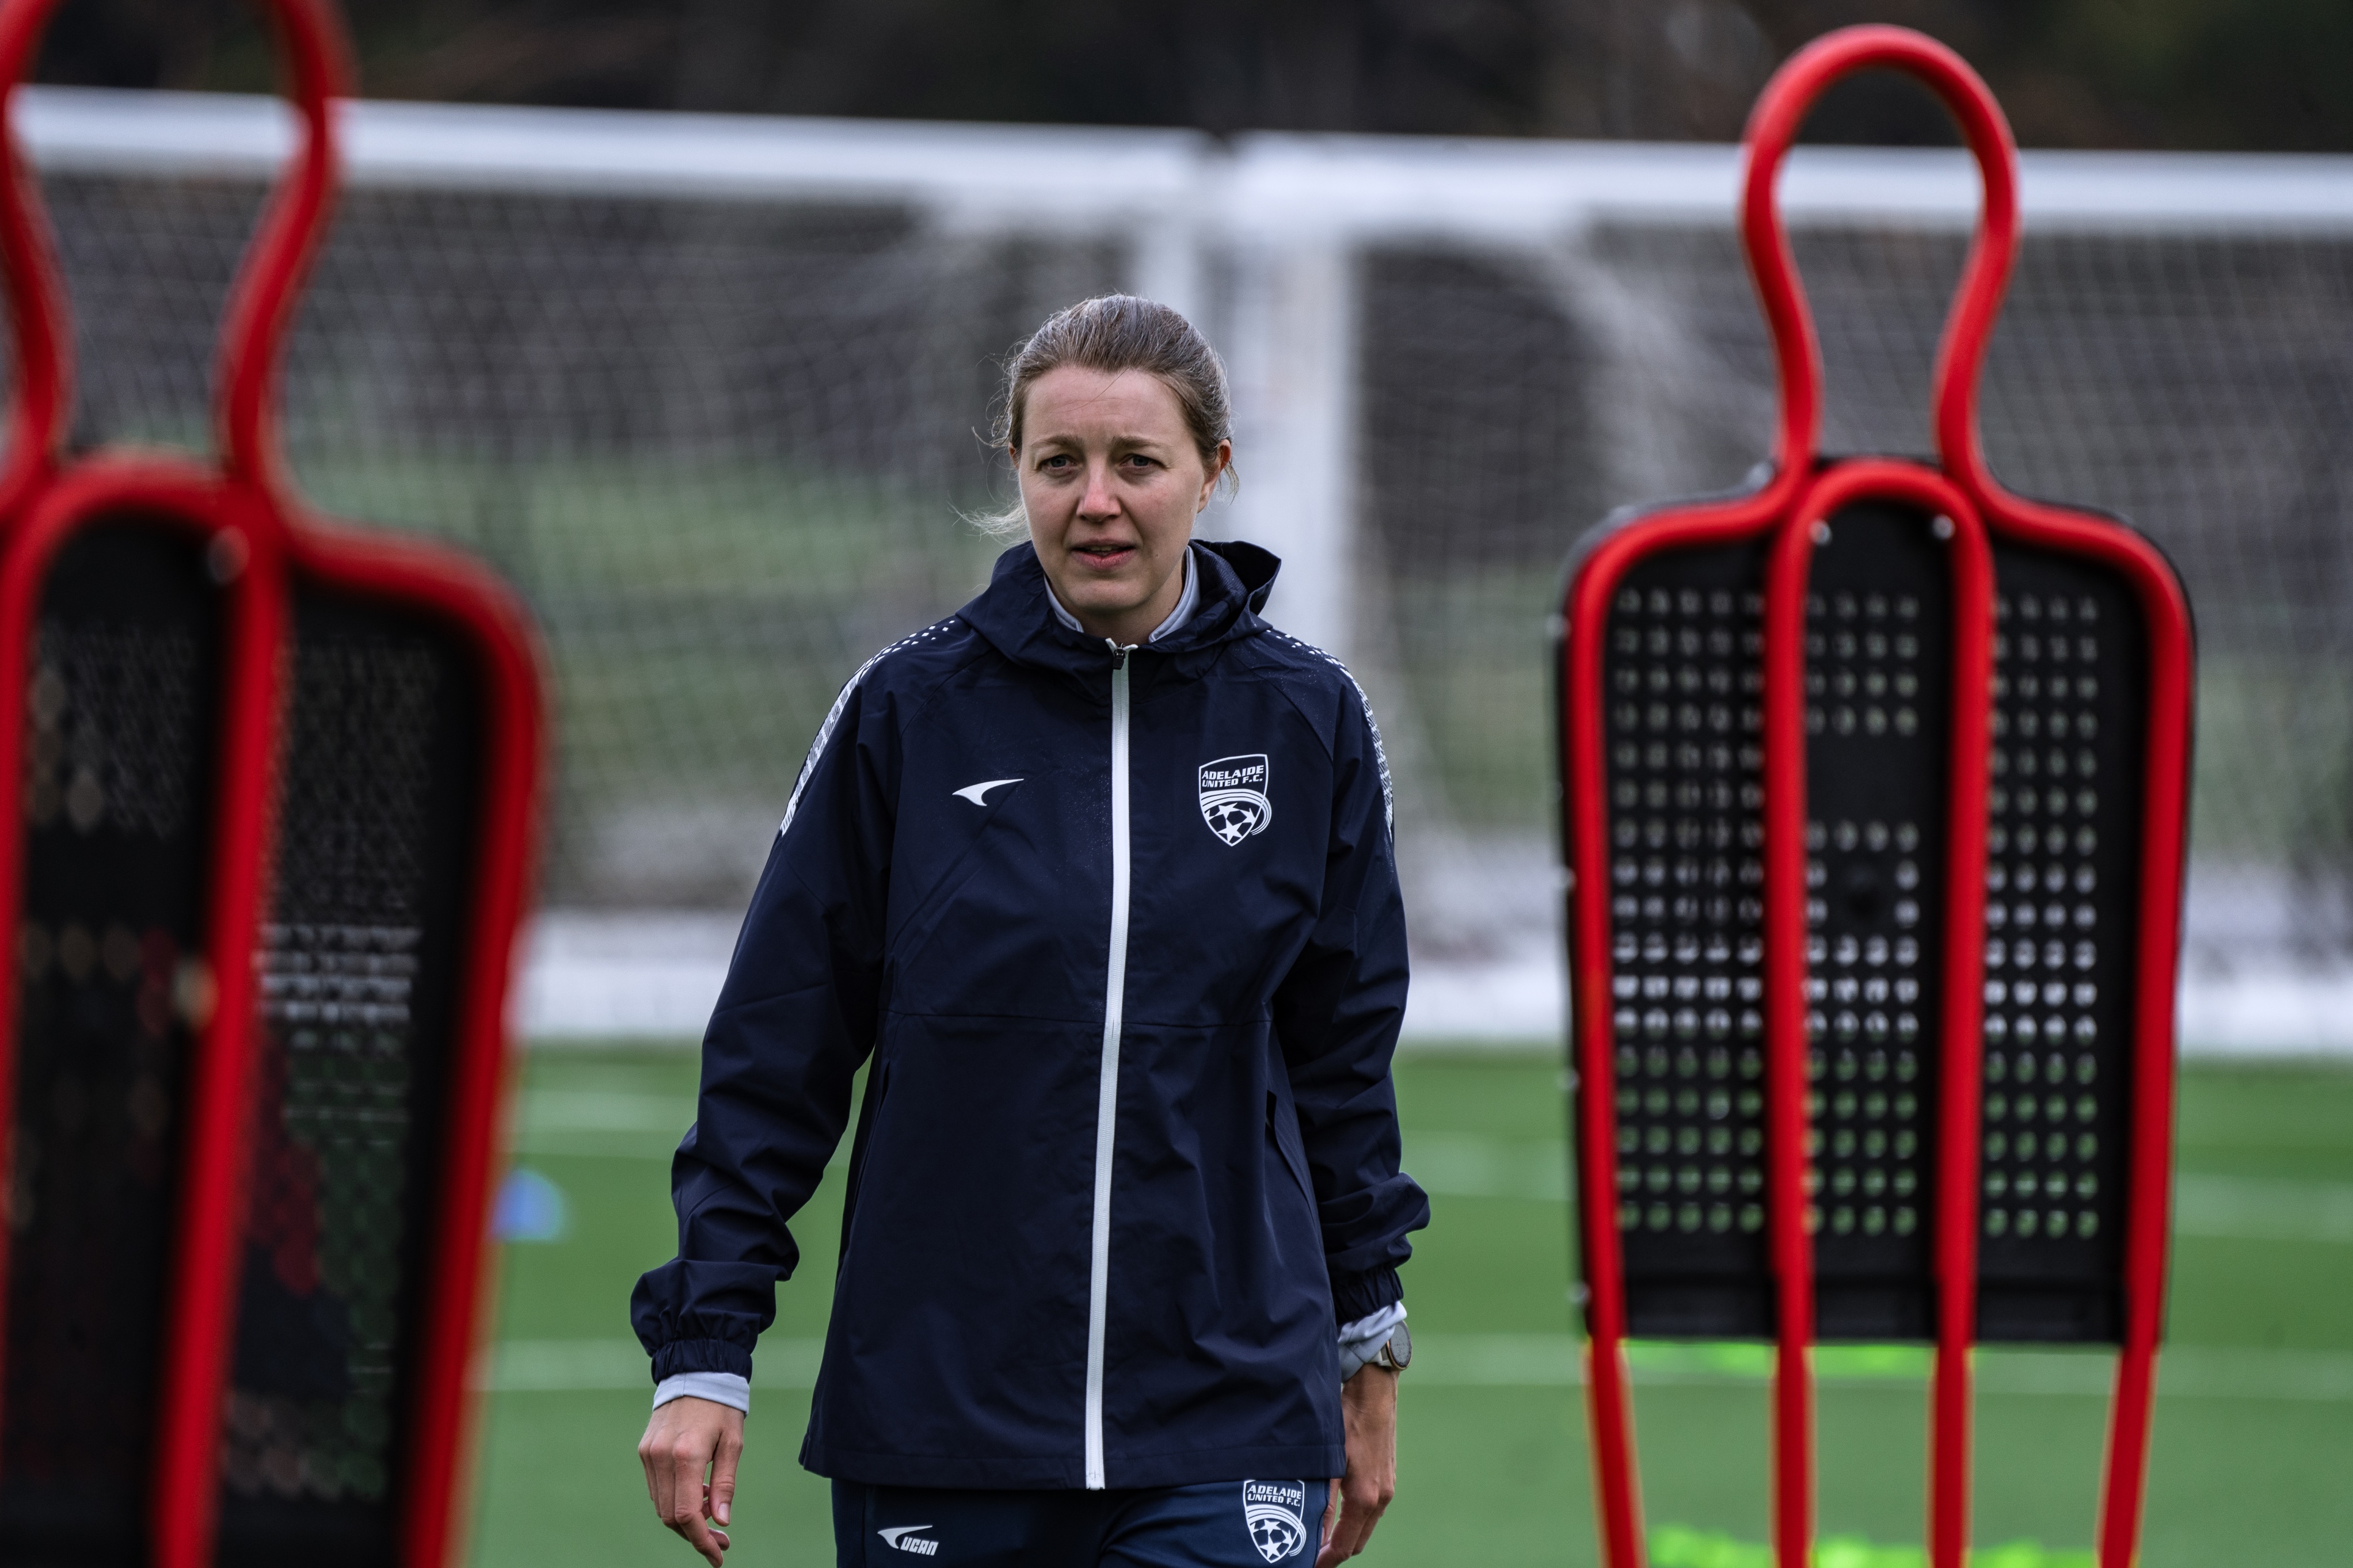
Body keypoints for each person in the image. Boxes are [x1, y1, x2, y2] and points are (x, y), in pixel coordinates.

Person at [632, 293, 1428, 1568]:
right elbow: (776, 1050)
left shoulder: (1310, 721)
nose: (1095, 500)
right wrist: (703, 1353)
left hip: (1225, 1404)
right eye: (1059, 462)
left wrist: (1367, 1339)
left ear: (1211, 473)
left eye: (1137, 463)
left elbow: (1341, 1062)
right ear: (1016, 469)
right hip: (941, 1409)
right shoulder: (907, 710)